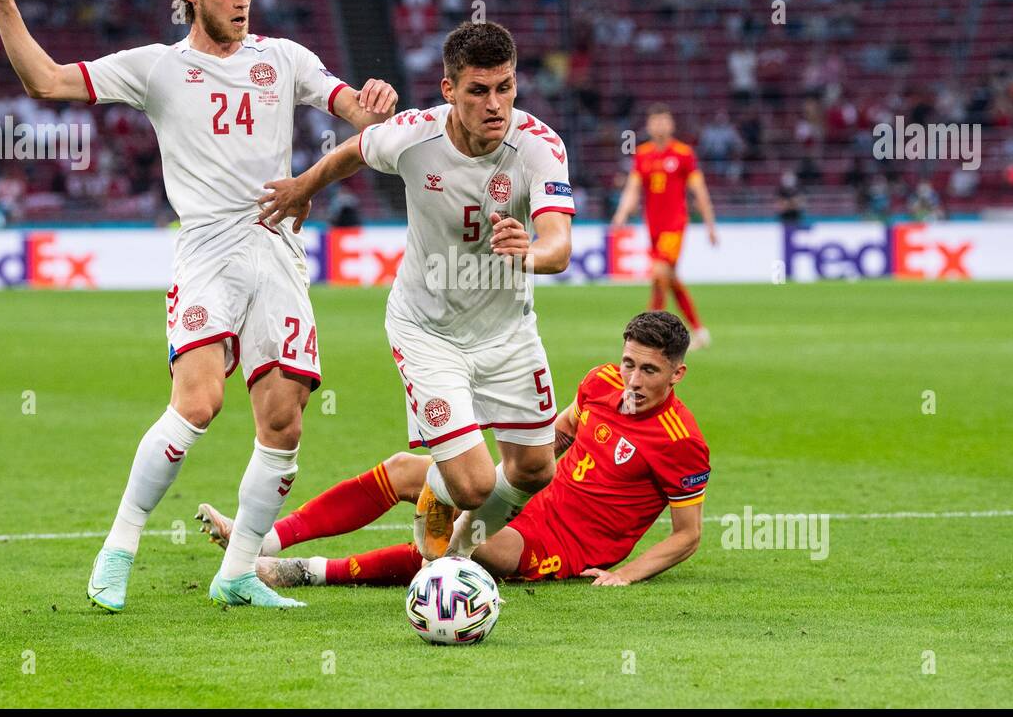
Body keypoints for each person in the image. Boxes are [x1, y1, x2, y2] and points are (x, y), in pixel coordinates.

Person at [0, 0, 398, 611]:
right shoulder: (158, 69)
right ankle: (119, 547)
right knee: (198, 401)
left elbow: (356, 111)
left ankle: (236, 573)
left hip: (278, 251)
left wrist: (373, 104)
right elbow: (45, 81)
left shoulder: (283, 59)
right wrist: (7, 7)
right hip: (206, 251)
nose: (242, 1)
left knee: (284, 421)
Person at [258, 21, 574, 563]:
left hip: (507, 331)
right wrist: (302, 187)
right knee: (474, 484)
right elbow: (354, 149)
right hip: (428, 332)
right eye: (479, 90)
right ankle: (443, 521)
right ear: (449, 90)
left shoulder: (539, 147)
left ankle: (455, 557)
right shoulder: (414, 135)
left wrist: (530, 252)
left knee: (534, 468)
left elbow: (560, 246)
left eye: (506, 87)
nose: (496, 104)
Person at [196, 311, 709, 587]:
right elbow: (564, 428)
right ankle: (267, 542)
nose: (632, 380)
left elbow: (687, 536)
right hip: (534, 495)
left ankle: (308, 572)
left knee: (464, 547)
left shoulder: (682, 443)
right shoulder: (600, 382)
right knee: (403, 469)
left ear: (677, 374)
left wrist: (625, 574)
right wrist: (524, 471)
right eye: (628, 364)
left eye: (649, 371)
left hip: (564, 545)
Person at [610, 104, 717, 348]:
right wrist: (621, 214)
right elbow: (633, 189)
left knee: (659, 274)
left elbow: (698, 190)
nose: (660, 126)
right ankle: (698, 331)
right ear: (649, 125)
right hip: (654, 229)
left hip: (675, 226)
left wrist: (710, 224)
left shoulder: (683, 153)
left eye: (664, 121)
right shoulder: (643, 154)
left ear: (671, 124)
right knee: (667, 278)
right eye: (655, 121)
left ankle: (648, 332)